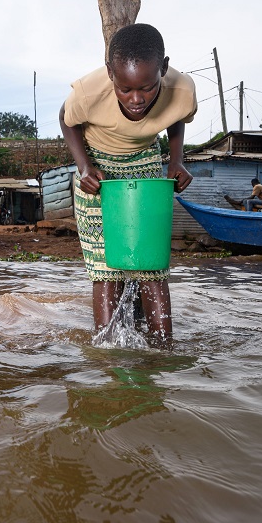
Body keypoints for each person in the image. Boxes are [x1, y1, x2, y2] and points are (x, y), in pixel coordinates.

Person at [59, 23, 197, 339]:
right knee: (106, 267)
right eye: (125, 89)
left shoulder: (183, 90)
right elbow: (65, 120)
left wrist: (176, 161)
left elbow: (175, 115)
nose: (136, 99)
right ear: (110, 73)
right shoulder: (88, 92)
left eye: (147, 88)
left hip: (144, 158)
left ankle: (163, 347)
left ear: (163, 68)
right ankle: (107, 347)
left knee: (151, 262)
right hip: (98, 163)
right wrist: (84, 167)